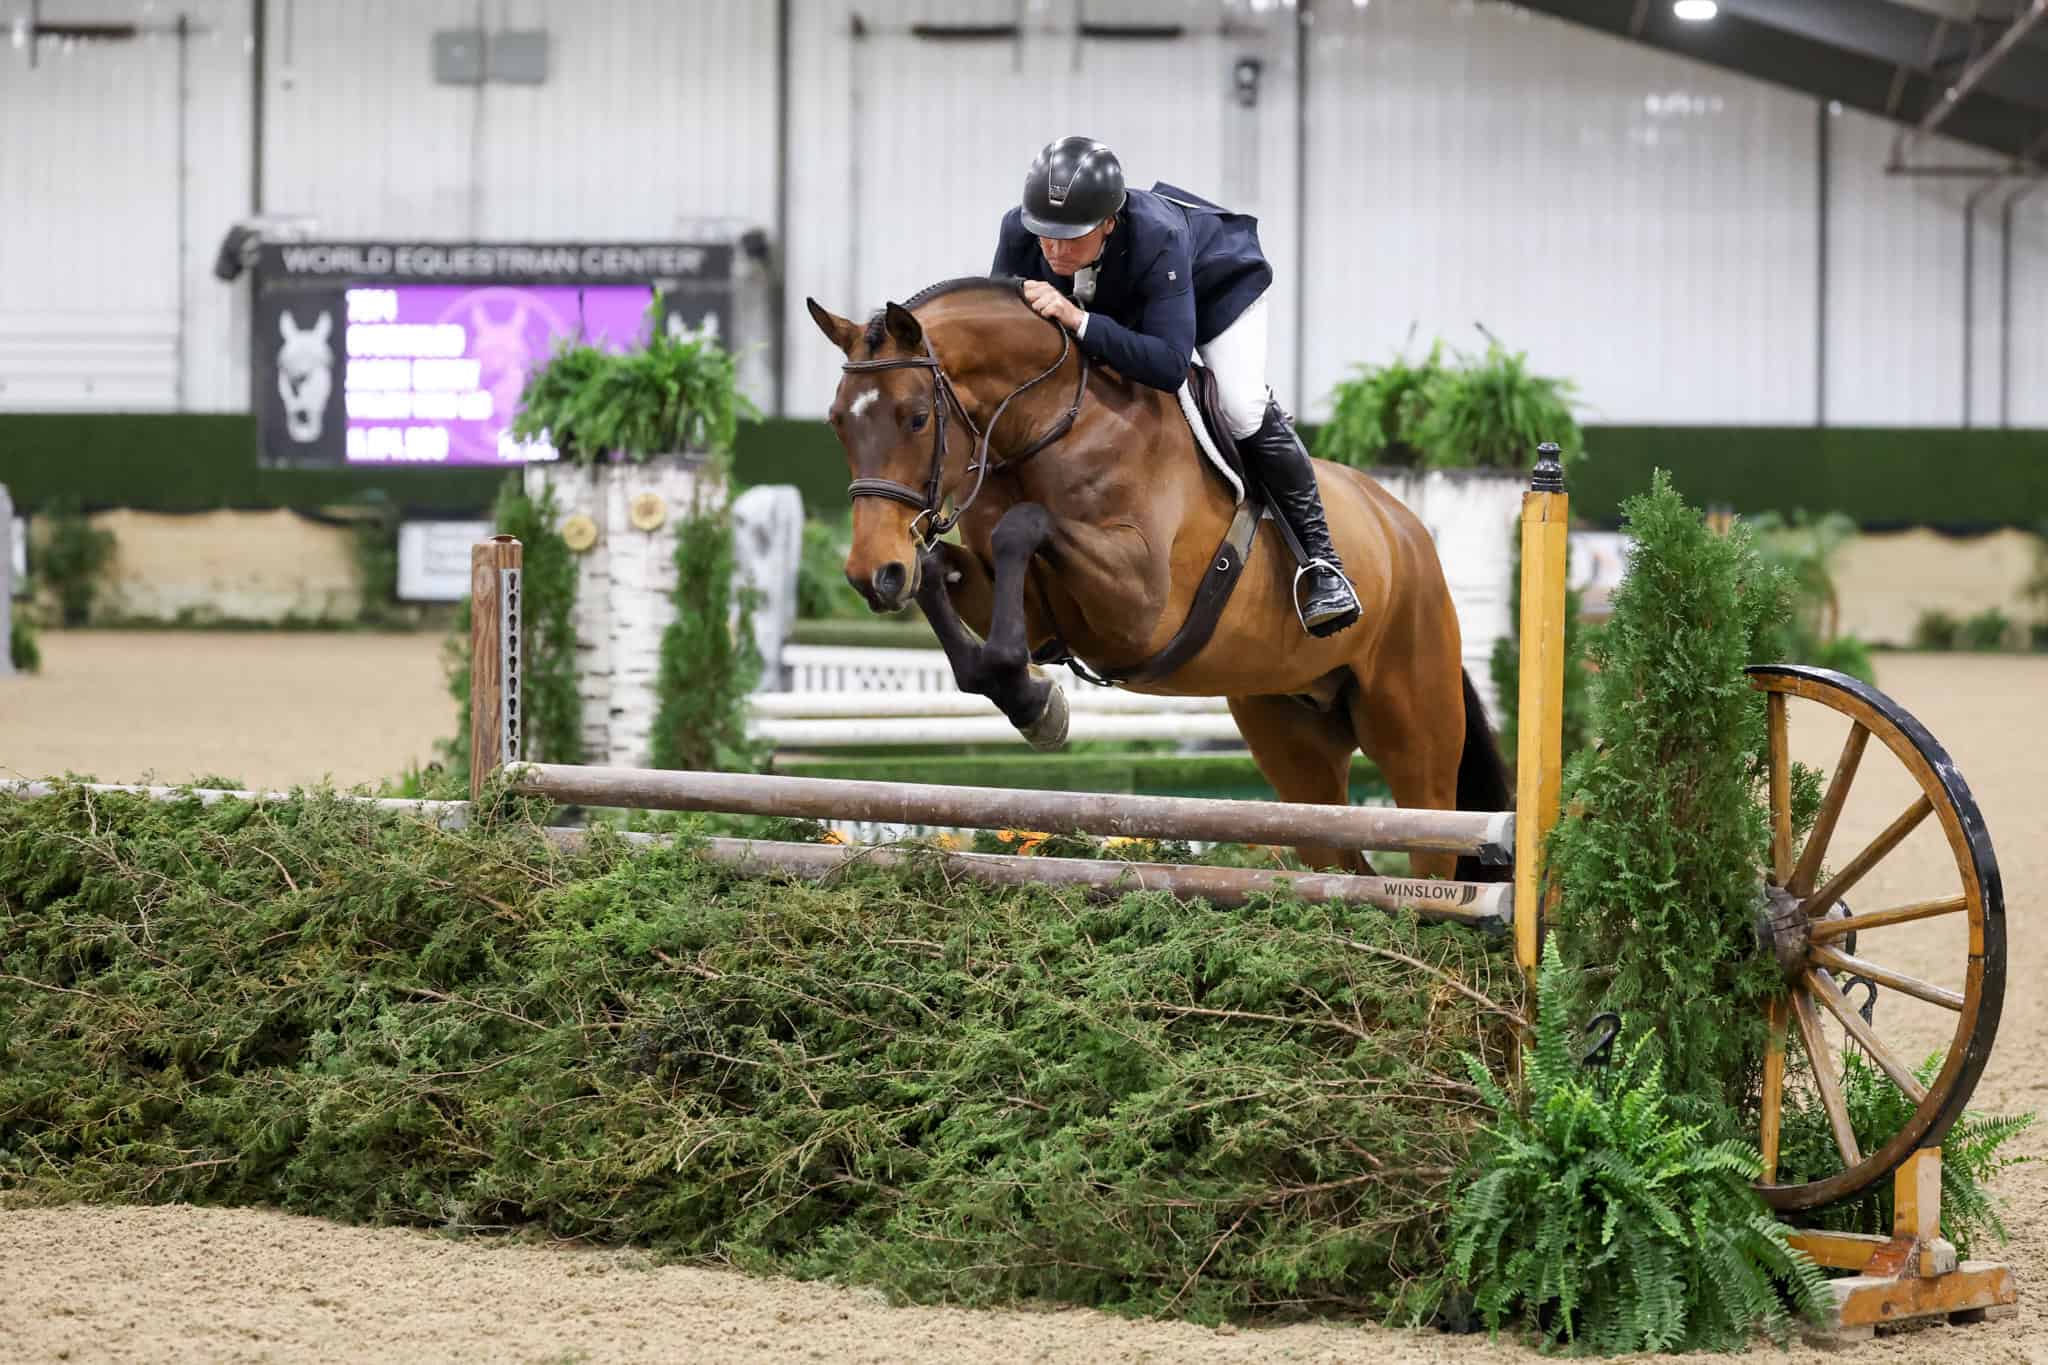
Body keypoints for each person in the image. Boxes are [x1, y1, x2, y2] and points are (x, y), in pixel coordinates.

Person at [989, 135, 1360, 638]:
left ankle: (1323, 565)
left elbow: (1167, 363)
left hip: (1215, 294)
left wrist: (1078, 321)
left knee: (1239, 405)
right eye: (1045, 235)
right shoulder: (1022, 229)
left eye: (1070, 237)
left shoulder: (1156, 236)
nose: (1053, 249)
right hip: (1125, 305)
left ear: (1108, 222)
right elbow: (1004, 327)